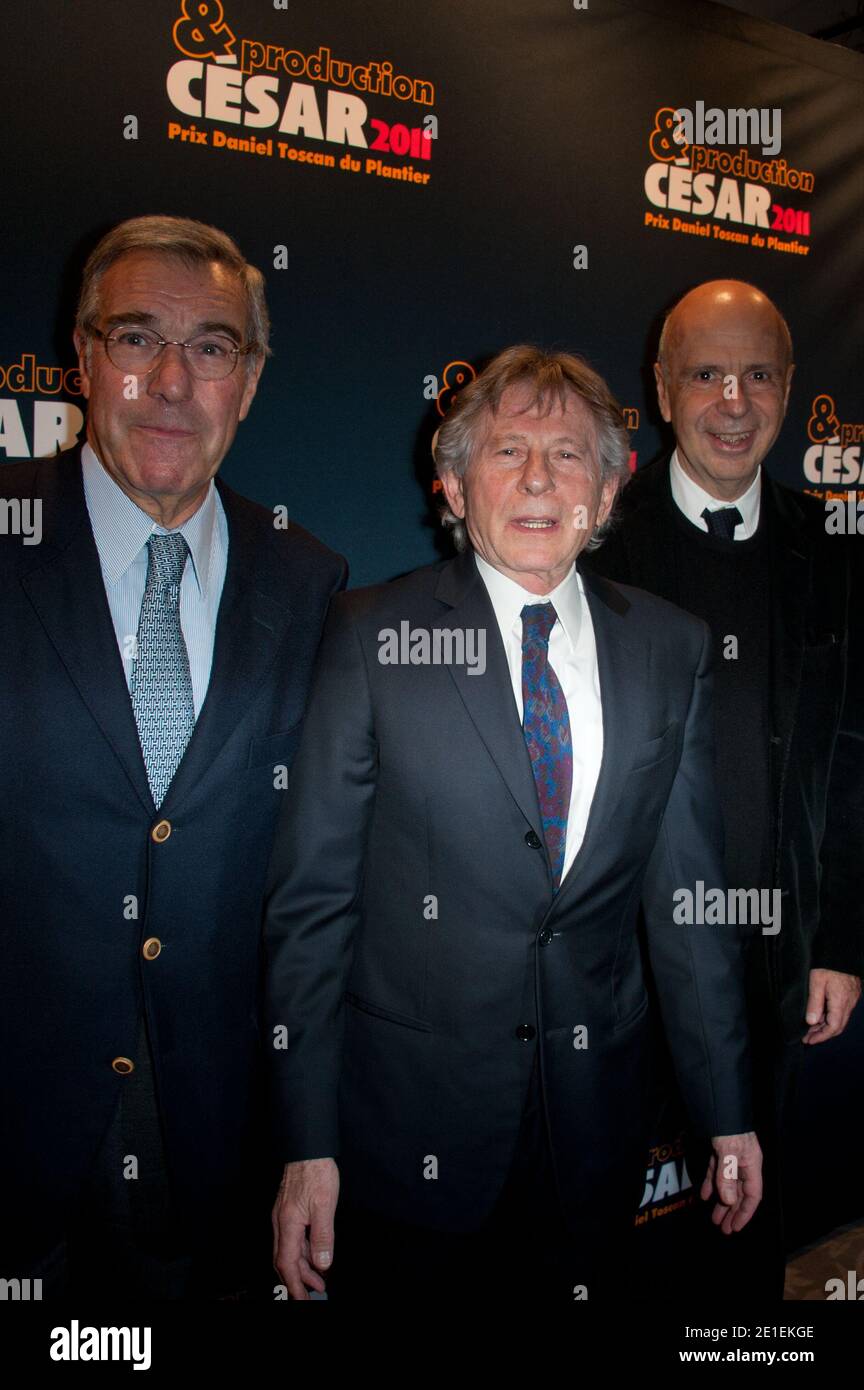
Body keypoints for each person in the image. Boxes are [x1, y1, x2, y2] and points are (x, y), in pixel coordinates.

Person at [265, 345, 762, 1302]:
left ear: (609, 493)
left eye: (571, 455)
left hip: (593, 1138)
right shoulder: (371, 637)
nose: (540, 478)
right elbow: (312, 910)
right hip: (406, 1140)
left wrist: (729, 1112)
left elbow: (686, 907)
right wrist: (305, 1147)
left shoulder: (672, 648)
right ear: (452, 484)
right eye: (508, 452)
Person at [0, 215, 346, 1298]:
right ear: (83, 358)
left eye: (212, 348)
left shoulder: (311, 580)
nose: (171, 380)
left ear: (247, 382)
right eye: (138, 337)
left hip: (214, 1135)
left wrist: (308, 1128)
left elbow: (314, 886)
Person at [584, 280, 862, 1298]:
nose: (733, 400)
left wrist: (839, 938)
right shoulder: (596, 538)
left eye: (757, 375)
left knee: (747, 1222)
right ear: (662, 388)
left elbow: (853, 750)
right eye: (706, 373)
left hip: (775, 951)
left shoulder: (832, 548)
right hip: (621, 959)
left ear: (788, 391)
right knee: (616, 1232)